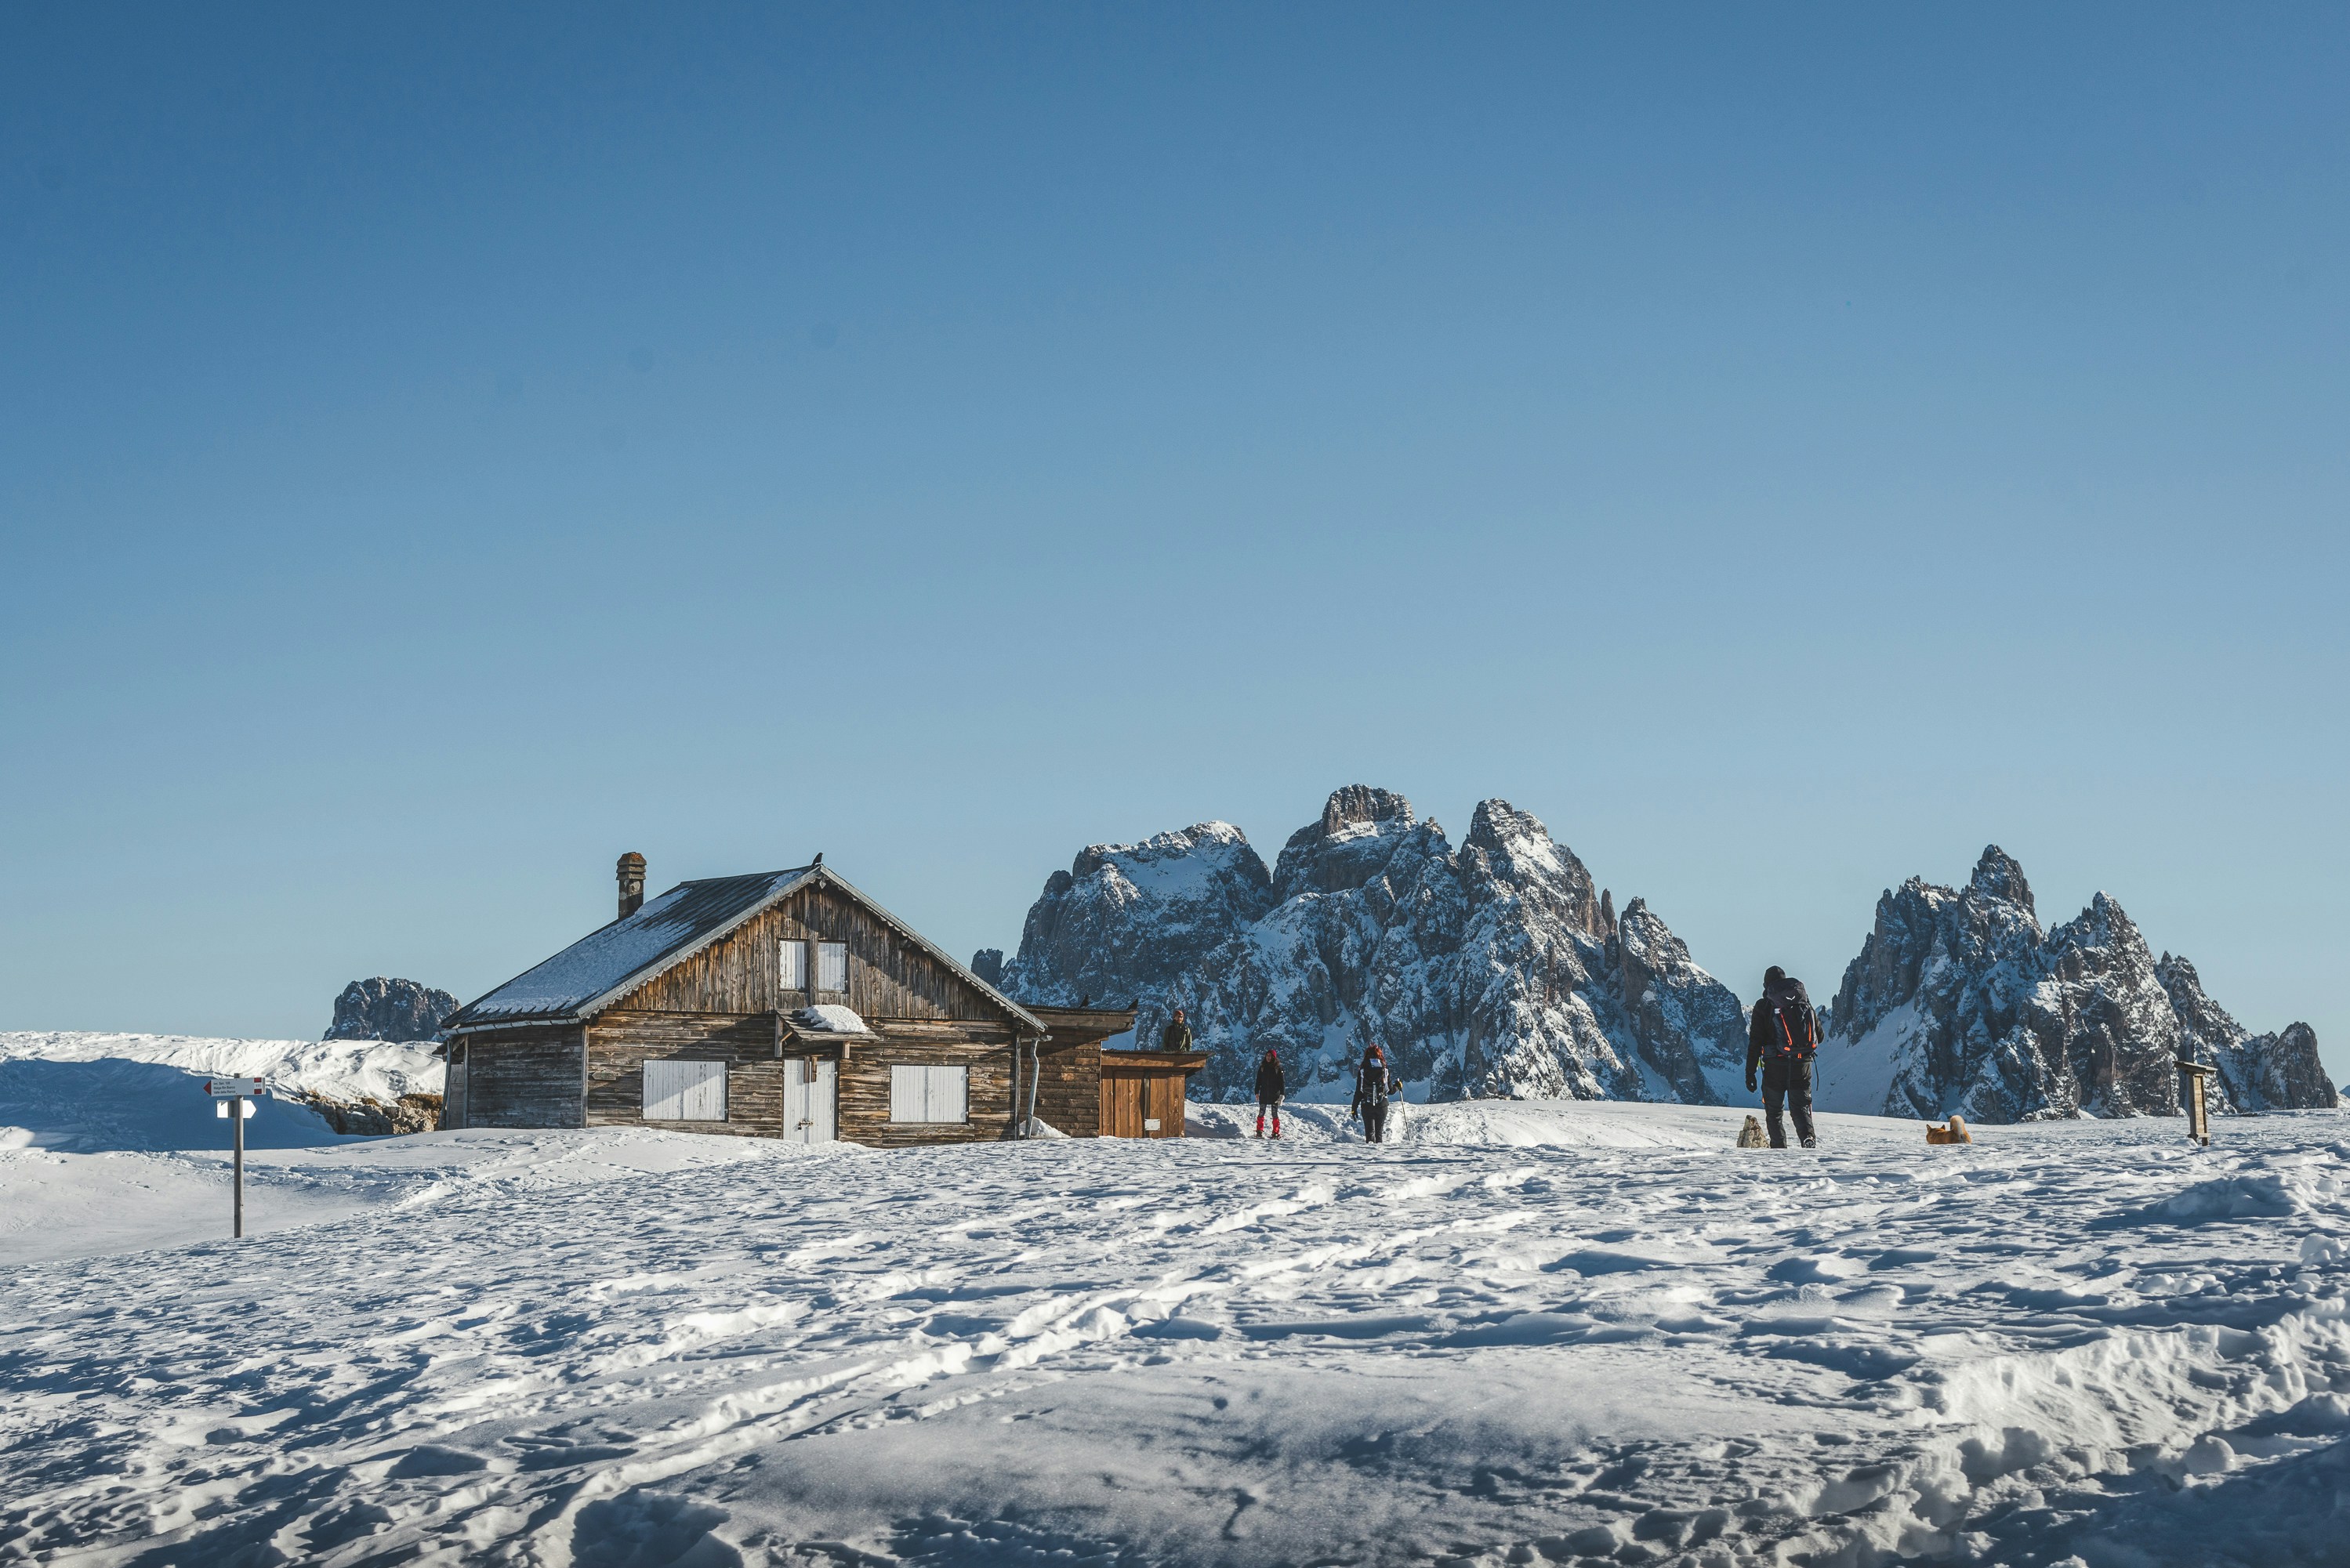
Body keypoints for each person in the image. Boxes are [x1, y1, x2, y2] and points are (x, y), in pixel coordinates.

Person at [1746, 965, 1819, 1149]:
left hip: (1774, 1066)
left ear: (1766, 985)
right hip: (1802, 1064)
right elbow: (1820, 1035)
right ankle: (1807, 1139)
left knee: (1774, 1111)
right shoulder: (1804, 1002)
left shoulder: (1763, 1006)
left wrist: (1750, 1073)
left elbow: (1755, 1042)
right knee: (1800, 1108)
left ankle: (1779, 1149)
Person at [1351, 1044, 1397, 1144]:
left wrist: (1354, 1109)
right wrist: (1398, 1086)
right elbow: (1390, 1090)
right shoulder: (1384, 1070)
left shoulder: (1362, 1070)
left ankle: (1369, 1157)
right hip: (1382, 1105)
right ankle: (1379, 1158)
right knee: (1378, 1135)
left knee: (1370, 1134)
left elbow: (1359, 1091)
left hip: (1367, 1105)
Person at [1253, 1047, 1286, 1138]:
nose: (1268, 1057)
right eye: (1267, 1056)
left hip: (1275, 1094)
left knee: (1274, 1114)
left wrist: (1282, 1095)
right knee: (1261, 1112)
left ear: (1273, 1057)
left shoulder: (1278, 1068)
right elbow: (1258, 1081)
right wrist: (1257, 1092)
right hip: (1264, 1093)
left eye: (1270, 1056)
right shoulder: (1262, 1067)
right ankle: (1259, 1131)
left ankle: (1275, 1132)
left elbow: (1282, 1082)